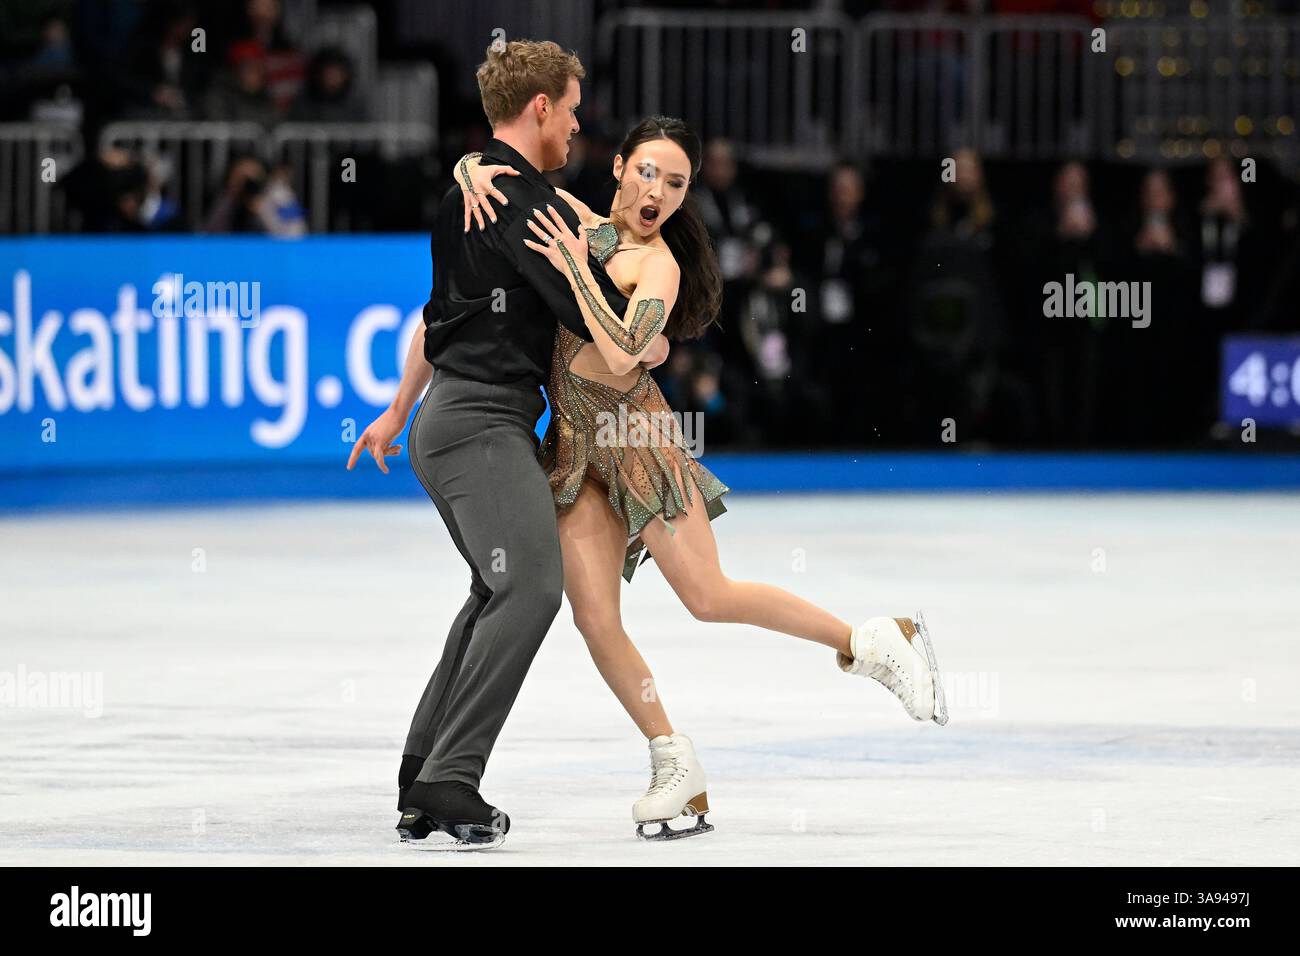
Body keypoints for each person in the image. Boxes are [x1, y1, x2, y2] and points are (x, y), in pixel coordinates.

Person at [455, 116, 949, 841]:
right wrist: (470, 171)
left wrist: (571, 273)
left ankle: (874, 638)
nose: (658, 191)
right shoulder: (580, 226)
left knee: (708, 597)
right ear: (619, 166)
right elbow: (499, 170)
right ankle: (674, 764)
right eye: (648, 172)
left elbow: (625, 351)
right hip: (574, 451)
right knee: (594, 619)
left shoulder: (658, 265)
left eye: (677, 183)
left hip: (639, 440)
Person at [347, 40, 631, 850]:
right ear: (540, 105)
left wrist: (400, 411)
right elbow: (593, 325)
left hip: (454, 421)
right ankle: (451, 776)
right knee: (532, 588)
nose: (579, 123)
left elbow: (437, 320)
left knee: (492, 589)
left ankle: (420, 770)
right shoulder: (523, 203)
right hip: (479, 423)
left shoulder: (474, 189)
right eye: (572, 107)